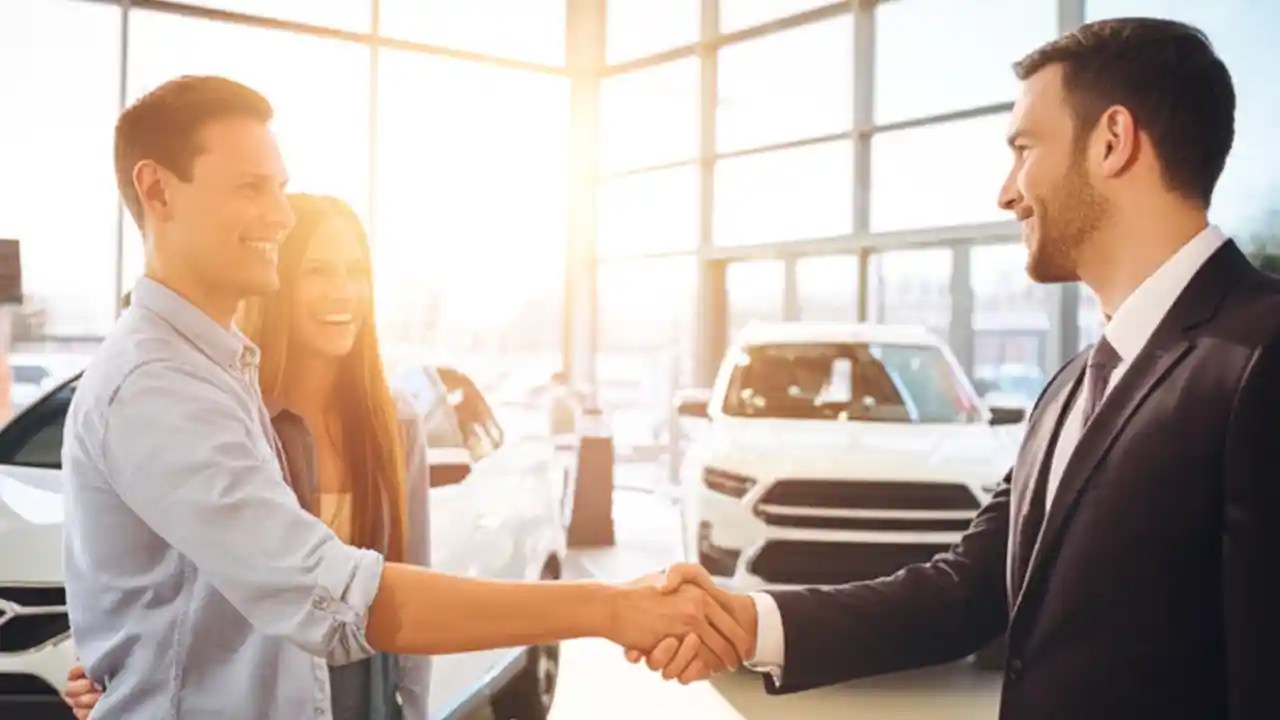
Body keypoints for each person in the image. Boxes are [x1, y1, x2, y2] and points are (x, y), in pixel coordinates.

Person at [637, 17, 1279, 719]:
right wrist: (741, 623)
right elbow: (966, 592)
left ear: (1112, 141)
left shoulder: (1261, 353)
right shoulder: (1070, 388)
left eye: (1025, 149)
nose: (1007, 192)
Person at [61, 75, 749, 719]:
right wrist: (609, 609)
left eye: (280, 188)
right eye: (250, 188)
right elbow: (333, 594)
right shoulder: (156, 386)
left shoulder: (218, 369)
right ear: (158, 191)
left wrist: (130, 660)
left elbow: (177, 599)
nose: (278, 215)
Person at [64, 193, 432, 718]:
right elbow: (159, 579)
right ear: (274, 280)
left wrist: (413, 709)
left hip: (363, 697)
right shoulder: (223, 416)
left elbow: (410, 576)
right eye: (318, 271)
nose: (343, 292)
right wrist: (111, 673)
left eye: (356, 271)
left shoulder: (395, 422)